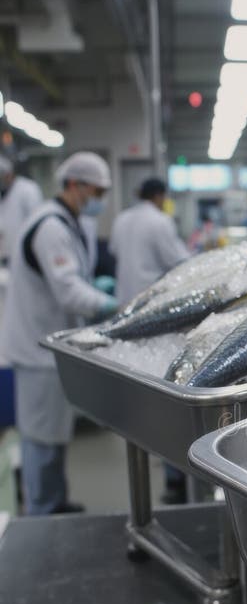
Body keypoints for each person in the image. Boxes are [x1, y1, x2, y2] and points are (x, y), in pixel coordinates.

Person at [0, 151, 118, 515]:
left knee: (55, 434)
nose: (99, 199)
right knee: (41, 439)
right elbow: (68, 291)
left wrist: (93, 287)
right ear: (73, 184)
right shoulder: (51, 226)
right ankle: (40, 511)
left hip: (49, 346)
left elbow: (70, 280)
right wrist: (110, 305)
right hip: (38, 351)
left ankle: (55, 501)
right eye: (95, 191)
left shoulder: (64, 221)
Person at [111, 176, 189, 503]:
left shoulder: (121, 220)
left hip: (126, 316)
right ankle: (175, 478)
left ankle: (148, 469)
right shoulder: (159, 222)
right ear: (159, 196)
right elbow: (182, 263)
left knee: (138, 401)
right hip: (159, 319)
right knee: (168, 397)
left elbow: (116, 253)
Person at [111, 177, 188, 306]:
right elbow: (175, 260)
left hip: (123, 296)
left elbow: (113, 251)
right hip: (149, 297)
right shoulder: (161, 220)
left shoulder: (121, 218)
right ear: (159, 196)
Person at [0, 156, 43, 265]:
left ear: (9, 174)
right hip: (4, 255)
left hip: (24, 255)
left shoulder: (28, 190)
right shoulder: (3, 192)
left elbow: (36, 224)